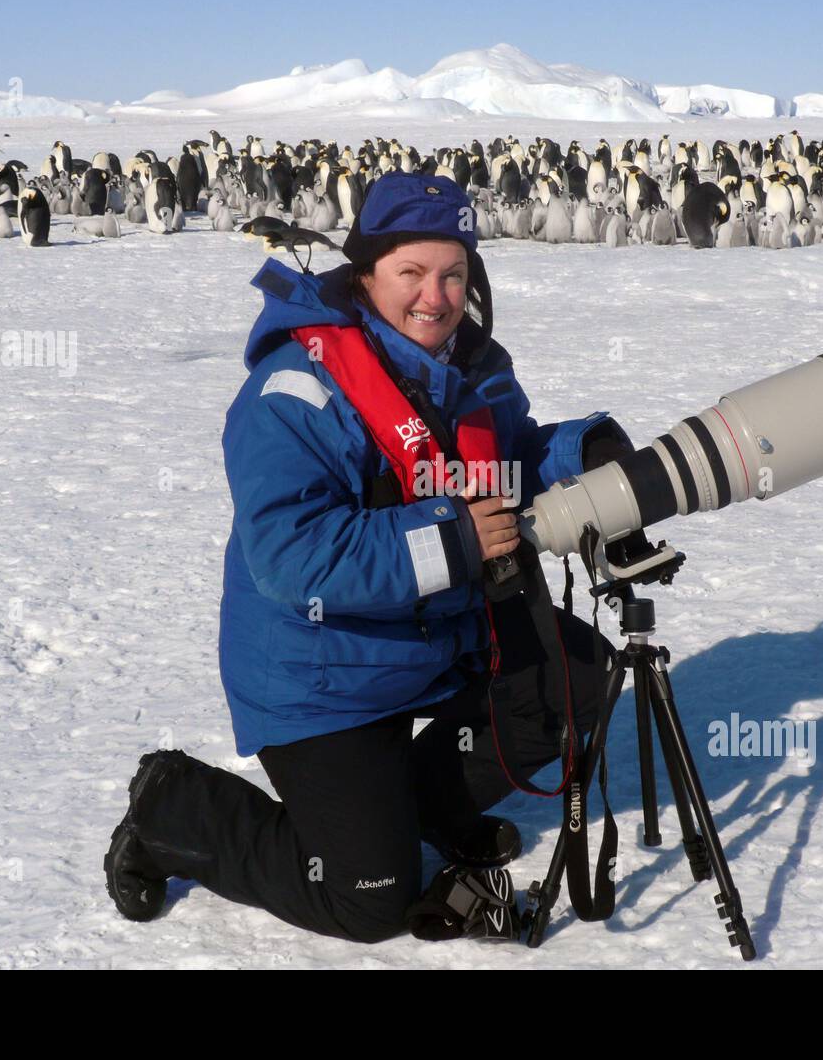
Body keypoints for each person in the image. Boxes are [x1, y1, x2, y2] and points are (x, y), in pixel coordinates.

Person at [104, 171, 635, 943]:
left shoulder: (474, 368)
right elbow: (291, 557)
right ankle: (170, 806)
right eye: (411, 273)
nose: (435, 296)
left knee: (572, 677)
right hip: (322, 675)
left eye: (453, 273)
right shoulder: (296, 391)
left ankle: (425, 807)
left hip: (433, 639)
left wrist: (578, 450)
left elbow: (505, 459)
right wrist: (454, 539)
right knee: (371, 898)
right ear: (365, 273)